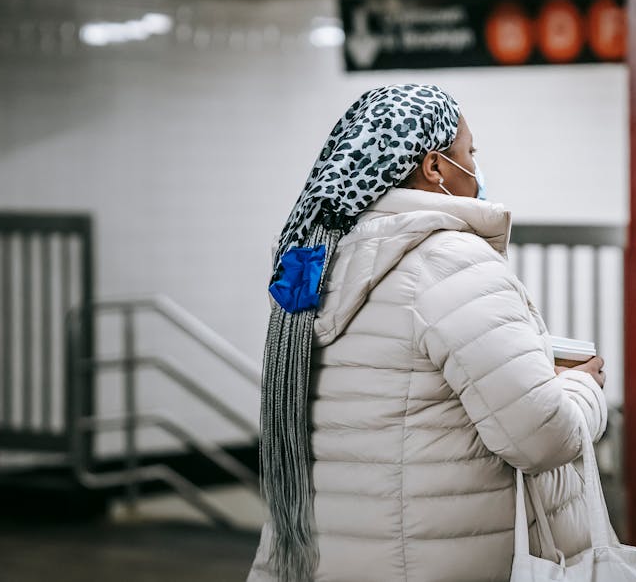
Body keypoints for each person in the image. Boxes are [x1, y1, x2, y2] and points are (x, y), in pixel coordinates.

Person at [248, 84, 608, 582]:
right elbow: (540, 438)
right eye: (470, 152)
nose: (478, 167)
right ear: (435, 167)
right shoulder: (448, 261)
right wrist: (581, 387)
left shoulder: (311, 263)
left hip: (333, 558)